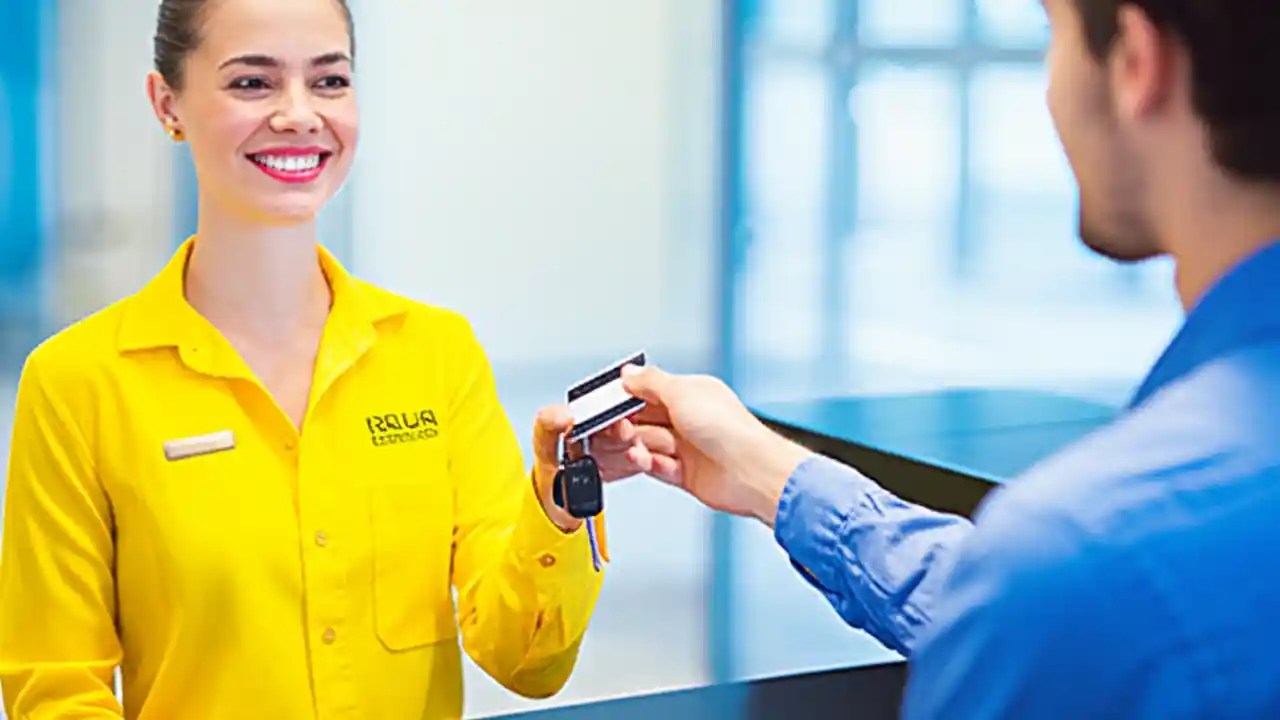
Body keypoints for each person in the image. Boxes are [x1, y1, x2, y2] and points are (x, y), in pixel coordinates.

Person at [609, 0, 1280, 717]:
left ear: (1137, 63)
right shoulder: (1099, 570)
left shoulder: (1086, 555)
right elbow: (1050, 620)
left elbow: (1065, 608)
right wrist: (775, 476)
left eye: (1051, 35)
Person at [0, 0, 650, 717]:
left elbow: (524, 660)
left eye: (330, 81)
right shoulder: (77, 384)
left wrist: (556, 507)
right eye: (252, 83)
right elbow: (55, 689)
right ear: (168, 104)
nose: (299, 114)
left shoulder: (436, 353)